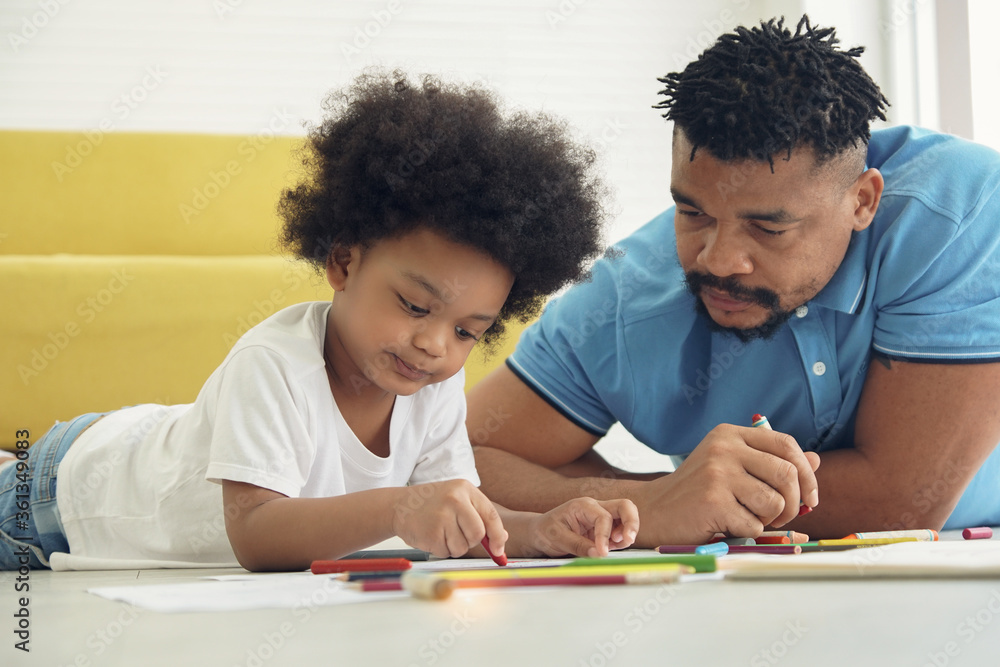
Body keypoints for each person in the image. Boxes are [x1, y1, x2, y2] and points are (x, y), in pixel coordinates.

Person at [0, 70, 639, 572]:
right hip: (62, 493)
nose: (434, 344)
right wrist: (401, 506)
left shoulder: (435, 386)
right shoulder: (274, 364)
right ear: (343, 261)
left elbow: (463, 516)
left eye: (468, 331)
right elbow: (255, 533)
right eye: (415, 306)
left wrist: (539, 528)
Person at [467, 15, 1000, 545]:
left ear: (863, 201)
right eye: (693, 213)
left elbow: (903, 502)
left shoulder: (956, 213)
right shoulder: (622, 298)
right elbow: (462, 461)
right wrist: (655, 503)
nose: (719, 262)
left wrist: (694, 501)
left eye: (768, 227)